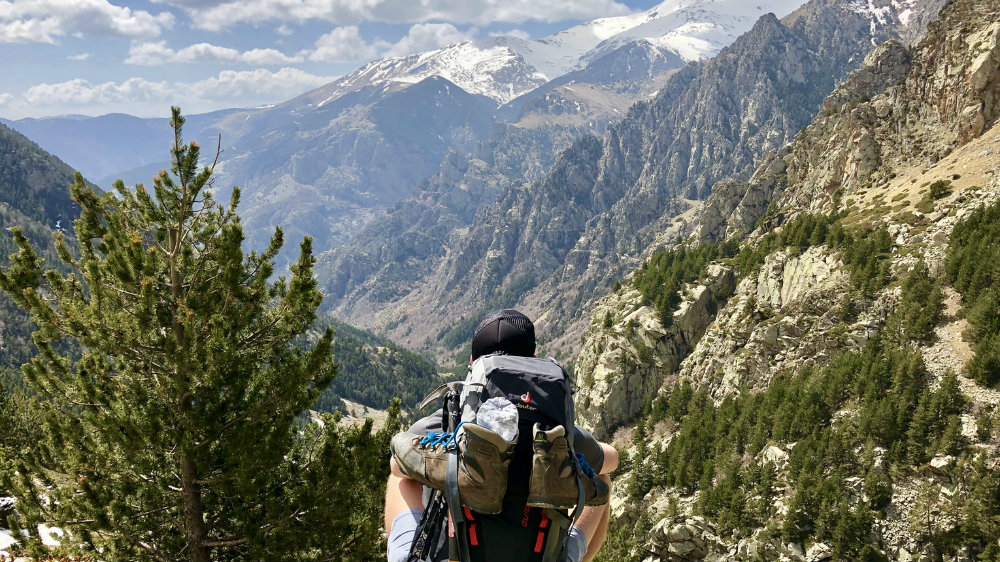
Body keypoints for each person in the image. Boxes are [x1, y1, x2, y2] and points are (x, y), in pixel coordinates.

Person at [384, 309, 619, 562]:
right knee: (602, 478)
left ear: (473, 363)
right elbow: (613, 459)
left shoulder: (448, 423)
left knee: (401, 479)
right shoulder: (557, 430)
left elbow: (398, 465)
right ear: (534, 360)